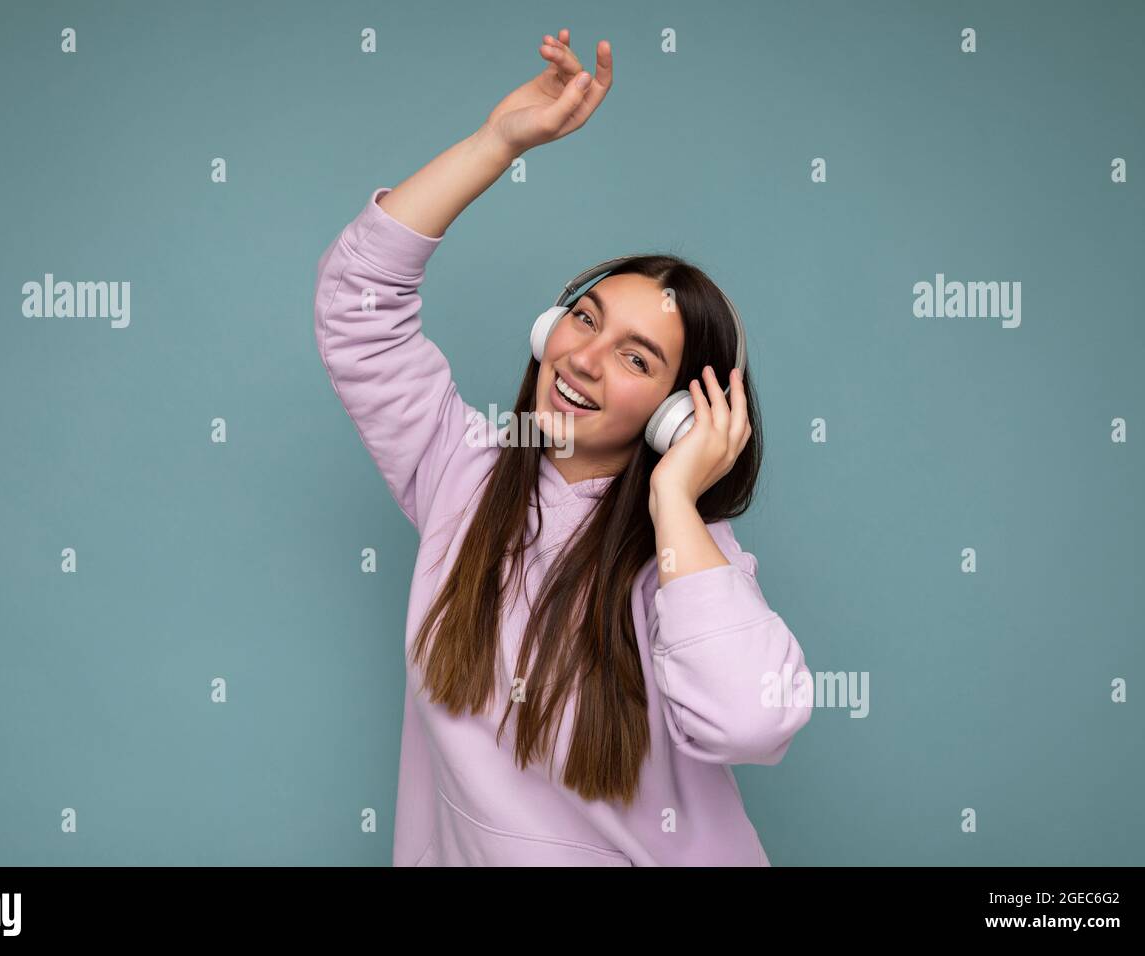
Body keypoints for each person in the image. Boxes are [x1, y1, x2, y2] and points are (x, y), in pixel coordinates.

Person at [314, 28, 813, 866]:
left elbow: (751, 723)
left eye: (636, 357)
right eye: (585, 318)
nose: (583, 357)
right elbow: (357, 304)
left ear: (676, 414)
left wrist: (673, 501)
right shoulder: (461, 470)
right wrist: (496, 144)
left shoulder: (690, 560)